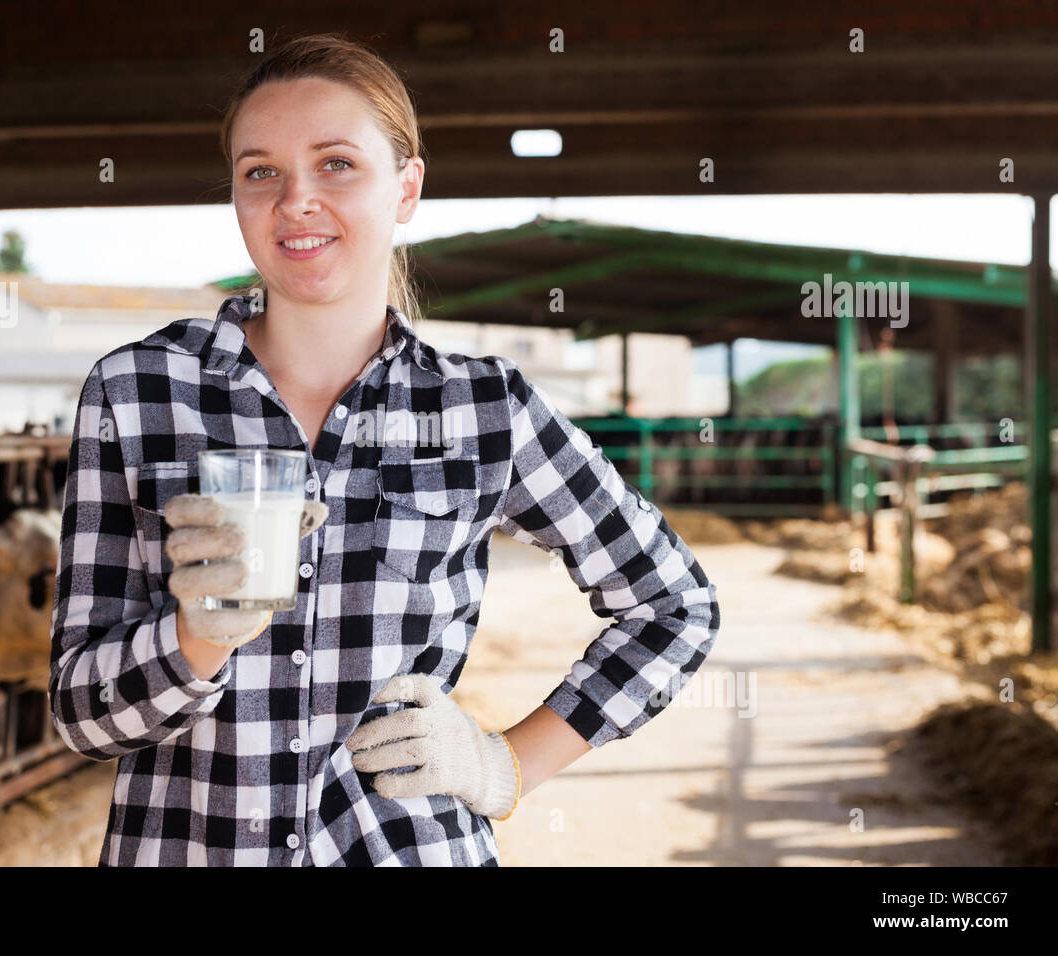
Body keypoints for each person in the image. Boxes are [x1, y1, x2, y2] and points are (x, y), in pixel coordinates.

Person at [48, 32, 720, 866]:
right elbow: (81, 717)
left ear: (407, 188)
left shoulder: (483, 408)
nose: (296, 200)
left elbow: (675, 607)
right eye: (261, 171)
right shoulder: (139, 392)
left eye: (336, 164)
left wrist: (507, 762)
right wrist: (197, 640)